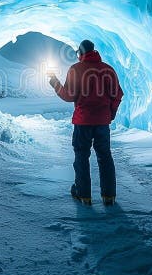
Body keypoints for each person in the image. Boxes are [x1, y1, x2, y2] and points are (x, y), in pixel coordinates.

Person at [48, 40, 123, 206]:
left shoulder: (76, 69)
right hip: (102, 122)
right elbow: (118, 94)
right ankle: (108, 196)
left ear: (80, 52)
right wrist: (111, 113)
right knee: (105, 156)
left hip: (83, 122)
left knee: (81, 156)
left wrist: (54, 82)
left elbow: (68, 96)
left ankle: (84, 195)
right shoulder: (108, 70)